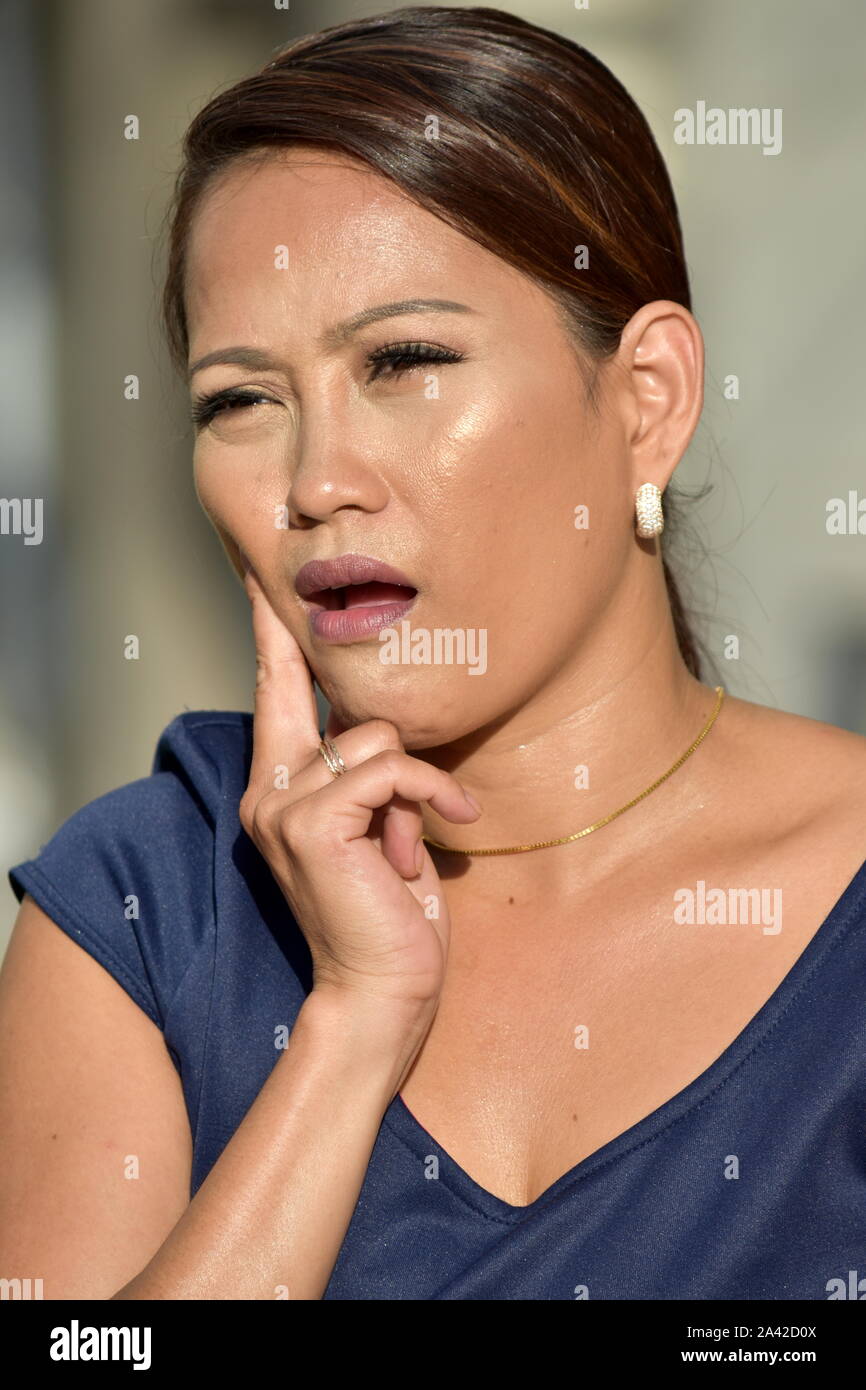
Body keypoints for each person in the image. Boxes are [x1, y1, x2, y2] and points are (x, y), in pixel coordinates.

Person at [2, 5, 865, 1301]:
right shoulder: (148, 901)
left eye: (403, 360)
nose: (317, 481)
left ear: (647, 401)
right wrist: (347, 1032)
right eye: (240, 400)